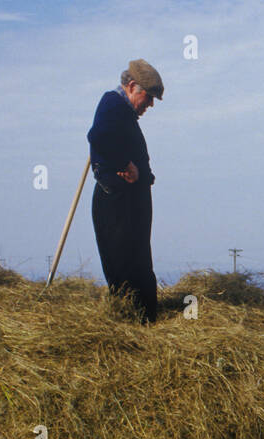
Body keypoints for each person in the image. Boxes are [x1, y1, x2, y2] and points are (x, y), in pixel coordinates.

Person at [88, 59, 163, 322]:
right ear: (132, 86)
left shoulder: (124, 112)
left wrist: (143, 174)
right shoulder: (113, 104)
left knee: (139, 261)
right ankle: (132, 320)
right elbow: (98, 137)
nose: (150, 105)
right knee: (123, 263)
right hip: (117, 202)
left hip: (130, 200)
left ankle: (145, 321)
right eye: (149, 97)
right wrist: (123, 163)